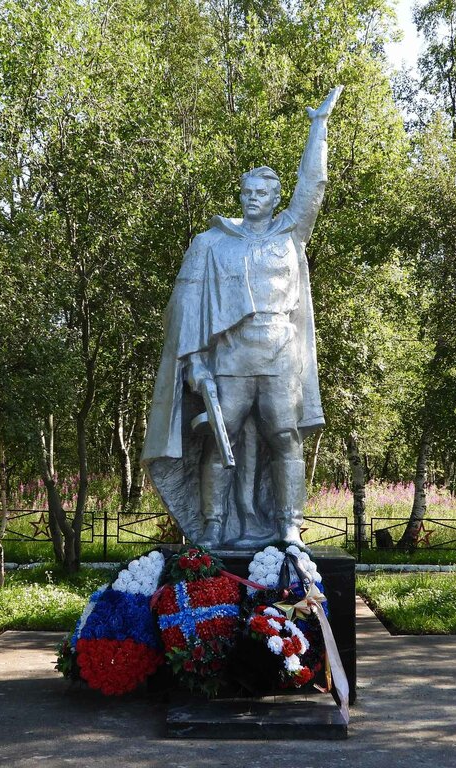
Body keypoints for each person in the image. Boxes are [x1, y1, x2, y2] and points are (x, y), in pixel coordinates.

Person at [142, 86, 343, 549]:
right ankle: (214, 525)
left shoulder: (292, 233)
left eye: (262, 193)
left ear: (275, 199)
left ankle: (289, 524)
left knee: (284, 435)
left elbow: (313, 187)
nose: (253, 199)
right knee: (219, 437)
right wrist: (194, 362)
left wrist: (319, 126)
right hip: (230, 353)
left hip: (279, 351)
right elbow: (188, 304)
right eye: (247, 192)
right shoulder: (214, 242)